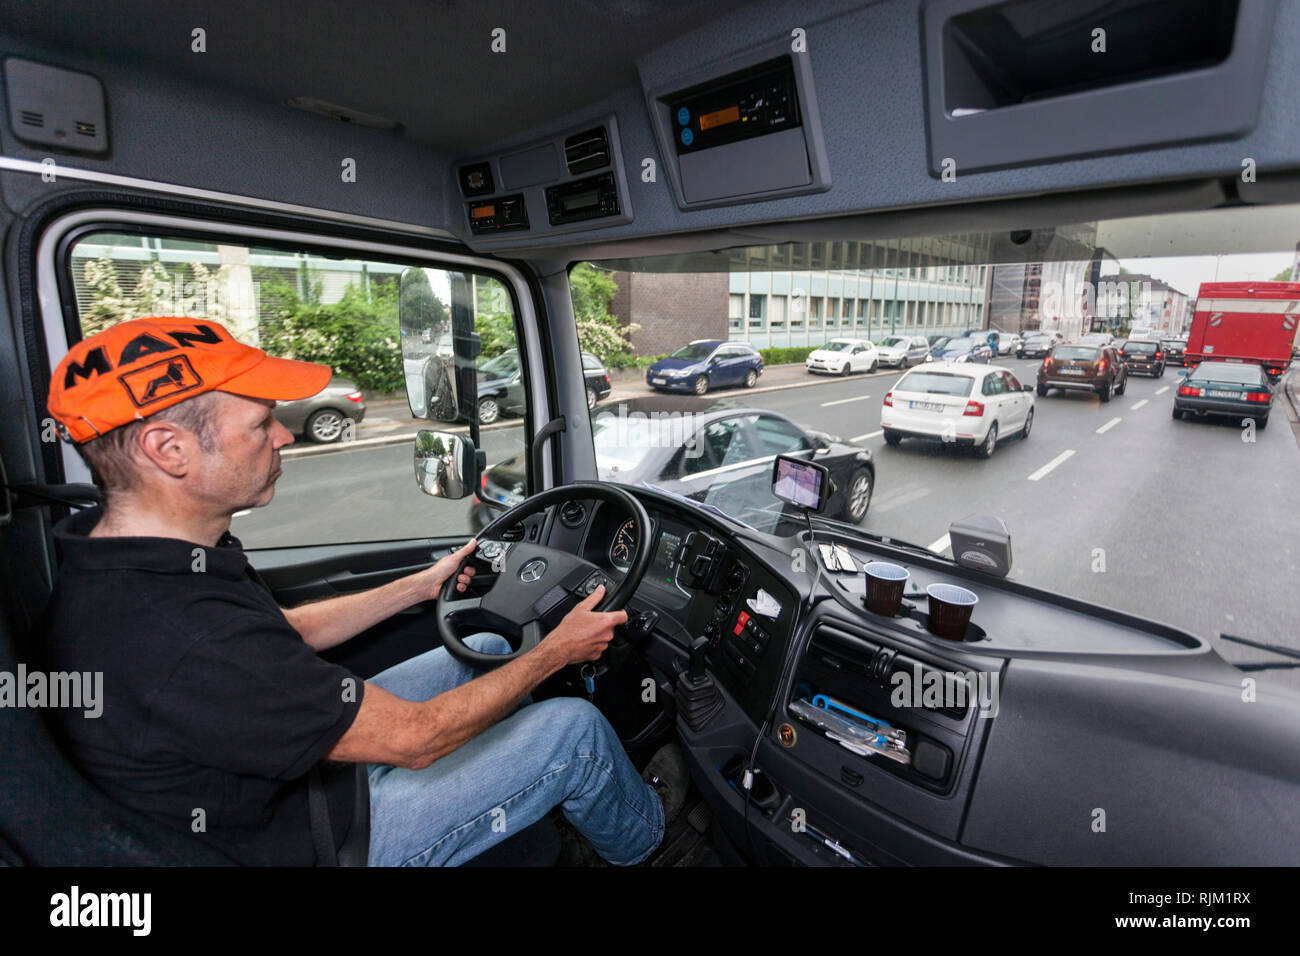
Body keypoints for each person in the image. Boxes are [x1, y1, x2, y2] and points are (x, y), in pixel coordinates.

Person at [40, 317, 686, 866]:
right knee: (571, 730)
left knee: (484, 640)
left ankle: (533, 796)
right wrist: (557, 650)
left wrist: (417, 586)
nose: (284, 436)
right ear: (169, 449)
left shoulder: (129, 553)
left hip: (287, 778)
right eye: (261, 424)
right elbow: (415, 740)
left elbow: (279, 634)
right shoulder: (178, 631)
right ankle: (651, 842)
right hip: (308, 843)